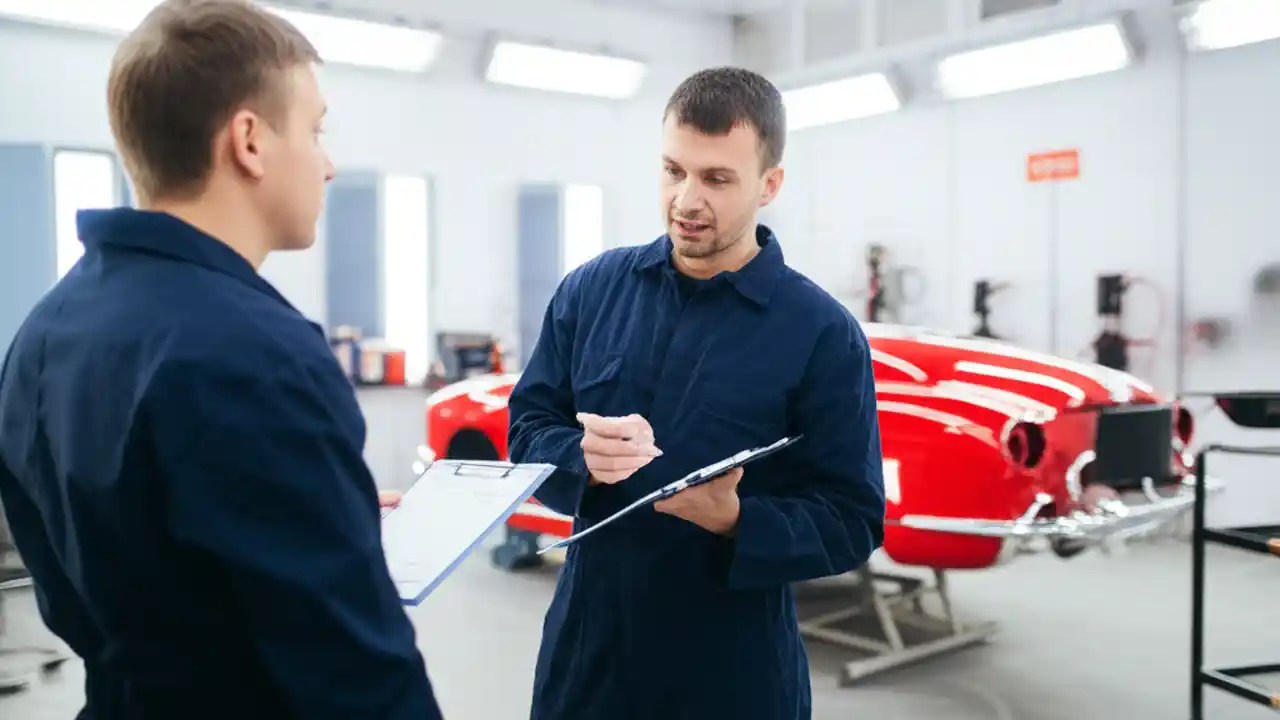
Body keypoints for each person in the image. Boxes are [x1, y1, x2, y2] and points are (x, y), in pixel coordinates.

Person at [0, 1, 442, 717]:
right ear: (249, 141)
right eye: (315, 129)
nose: (328, 165)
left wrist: (329, 513)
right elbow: (357, 676)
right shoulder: (261, 353)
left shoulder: (45, 332)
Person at [507, 66, 887, 720]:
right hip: (588, 654)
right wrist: (577, 455)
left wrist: (738, 519)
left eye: (716, 179)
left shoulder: (821, 333)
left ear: (770, 185)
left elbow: (853, 517)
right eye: (673, 170)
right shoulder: (591, 291)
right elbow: (528, 427)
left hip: (729, 667)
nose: (686, 200)